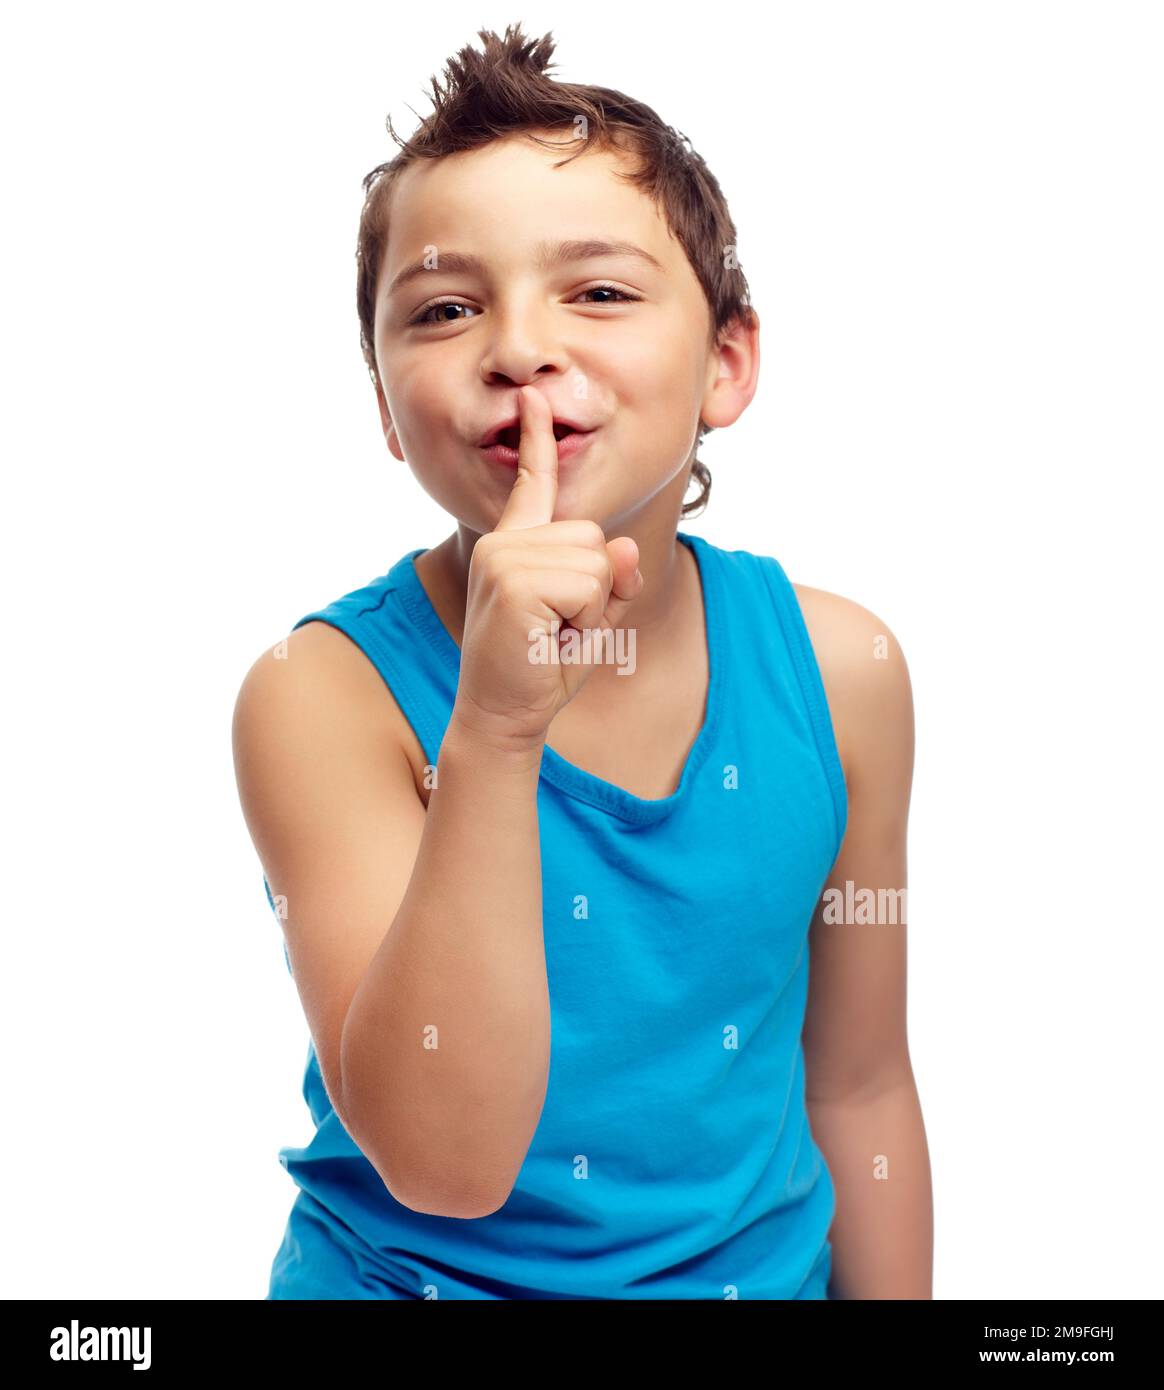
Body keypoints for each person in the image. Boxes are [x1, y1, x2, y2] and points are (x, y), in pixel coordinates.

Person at [232, 22, 932, 1300]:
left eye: (598, 291)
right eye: (446, 308)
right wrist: (495, 727)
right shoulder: (317, 696)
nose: (518, 347)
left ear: (726, 363)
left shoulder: (844, 673)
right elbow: (448, 1162)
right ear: (388, 411)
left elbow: (862, 1080)